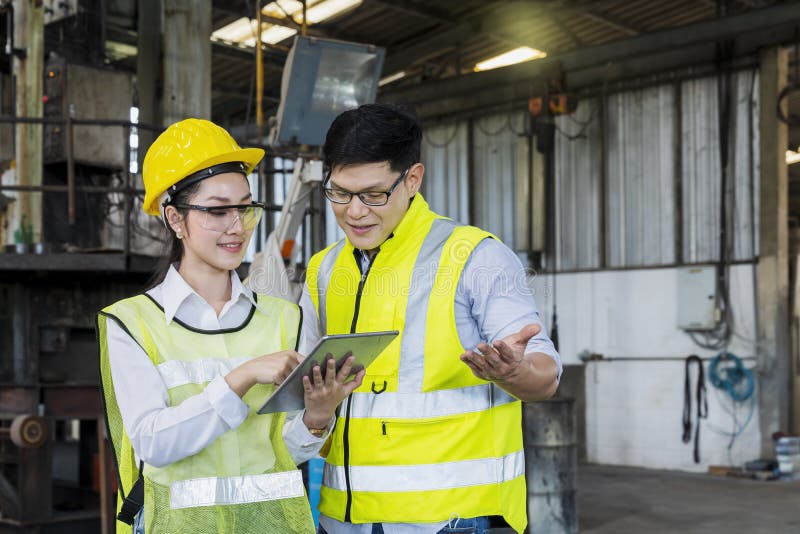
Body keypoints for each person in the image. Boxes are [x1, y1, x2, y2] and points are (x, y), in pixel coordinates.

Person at [300, 104, 562, 534]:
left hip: (448, 519)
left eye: (373, 194)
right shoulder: (324, 270)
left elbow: (547, 377)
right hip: (343, 518)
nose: (355, 211)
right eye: (340, 193)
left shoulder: (475, 257)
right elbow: (304, 385)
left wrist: (513, 372)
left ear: (413, 179)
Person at [96, 118, 364, 533]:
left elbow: (280, 455)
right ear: (175, 219)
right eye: (218, 210)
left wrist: (317, 416)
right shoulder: (132, 324)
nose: (237, 226)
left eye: (244, 208)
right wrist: (241, 378)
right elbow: (154, 443)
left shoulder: (282, 318)